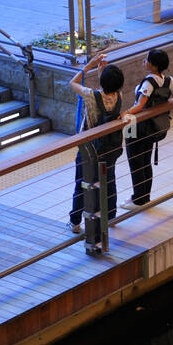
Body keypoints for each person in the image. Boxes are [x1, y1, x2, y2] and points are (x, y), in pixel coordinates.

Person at [122, 48, 173, 207]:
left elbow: (140, 105)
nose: (144, 62)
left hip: (137, 126)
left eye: (146, 60)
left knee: (135, 161)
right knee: (145, 161)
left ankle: (138, 200)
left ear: (153, 66)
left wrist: (125, 113)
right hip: (154, 127)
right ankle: (144, 198)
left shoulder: (148, 82)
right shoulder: (169, 81)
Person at [67, 53, 125, 234]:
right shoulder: (119, 96)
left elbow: (73, 83)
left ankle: (75, 222)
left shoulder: (91, 96)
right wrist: (103, 72)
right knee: (109, 180)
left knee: (82, 182)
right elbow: (107, 87)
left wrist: (90, 65)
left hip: (89, 148)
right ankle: (111, 215)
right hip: (110, 147)